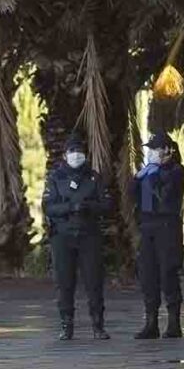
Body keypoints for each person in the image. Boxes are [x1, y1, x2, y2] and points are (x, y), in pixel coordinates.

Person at [42, 133, 113, 341]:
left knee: (94, 282)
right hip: (62, 237)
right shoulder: (55, 178)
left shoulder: (94, 177)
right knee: (64, 282)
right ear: (65, 155)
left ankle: (98, 325)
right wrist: (69, 207)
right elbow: (48, 206)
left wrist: (88, 207)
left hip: (89, 236)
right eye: (72, 152)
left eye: (80, 152)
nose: (76, 156)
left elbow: (107, 205)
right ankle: (66, 326)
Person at [130, 131, 184, 339]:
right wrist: (137, 178)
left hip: (167, 227)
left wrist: (155, 172)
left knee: (168, 273)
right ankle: (151, 323)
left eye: (156, 149)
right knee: (148, 274)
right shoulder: (147, 171)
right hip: (147, 227)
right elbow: (132, 195)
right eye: (151, 150)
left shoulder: (177, 171)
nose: (152, 153)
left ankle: (174, 323)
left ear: (167, 150)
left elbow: (167, 191)